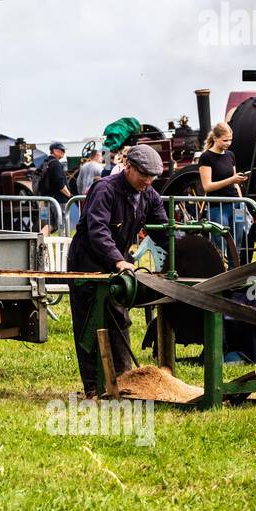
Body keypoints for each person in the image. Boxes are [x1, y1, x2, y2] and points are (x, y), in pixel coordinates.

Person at [66, 144, 168, 398]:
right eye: (143, 175)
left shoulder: (149, 195)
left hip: (117, 261)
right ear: (128, 167)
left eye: (152, 177)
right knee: (90, 324)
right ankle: (92, 386)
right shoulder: (105, 189)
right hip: (87, 262)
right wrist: (118, 260)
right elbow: (97, 230)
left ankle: (123, 381)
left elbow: (163, 231)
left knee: (119, 318)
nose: (147, 181)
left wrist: (184, 251)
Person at [197, 122, 250, 263]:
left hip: (236, 205)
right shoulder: (206, 157)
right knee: (219, 243)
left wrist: (242, 202)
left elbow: (235, 183)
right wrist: (232, 179)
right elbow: (207, 186)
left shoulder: (231, 155)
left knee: (237, 242)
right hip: (218, 207)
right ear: (215, 138)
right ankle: (220, 275)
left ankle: (235, 276)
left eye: (230, 140)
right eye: (225, 140)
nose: (228, 143)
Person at [36, 141, 72, 234]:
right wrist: (69, 195)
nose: (64, 152)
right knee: (62, 224)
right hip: (59, 201)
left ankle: (39, 242)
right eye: (62, 150)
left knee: (50, 224)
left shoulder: (44, 163)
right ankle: (64, 246)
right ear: (55, 151)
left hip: (46, 200)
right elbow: (60, 183)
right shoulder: (56, 164)